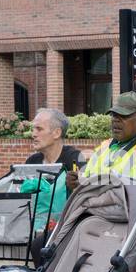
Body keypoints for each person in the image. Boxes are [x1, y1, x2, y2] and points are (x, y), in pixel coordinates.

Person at [20, 108, 82, 262]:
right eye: (33, 129)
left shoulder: (74, 158)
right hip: (34, 229)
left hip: (66, 230)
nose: (33, 134)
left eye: (39, 129)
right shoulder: (32, 162)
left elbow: (84, 187)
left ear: (56, 133)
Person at [78, 92, 136, 187]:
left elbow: (135, 195)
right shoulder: (105, 146)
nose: (115, 119)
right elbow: (87, 177)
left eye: (123, 116)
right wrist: (78, 183)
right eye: (114, 115)